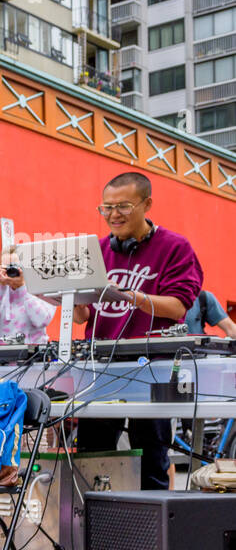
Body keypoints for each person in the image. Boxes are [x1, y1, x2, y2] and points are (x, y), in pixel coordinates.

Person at [72, 172, 203, 490]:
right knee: (93, 457)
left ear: (147, 204)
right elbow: (82, 316)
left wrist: (131, 296)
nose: (113, 215)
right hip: (99, 367)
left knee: (152, 457)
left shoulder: (175, 247)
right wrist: (67, 295)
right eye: (106, 207)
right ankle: (96, 529)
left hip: (153, 367)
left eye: (123, 206)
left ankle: (155, 533)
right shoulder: (98, 250)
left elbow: (178, 306)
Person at [0, 261, 56, 343]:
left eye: (17, 267)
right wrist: (0, 288)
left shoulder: (42, 288)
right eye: (8, 267)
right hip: (2, 352)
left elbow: (41, 321)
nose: (12, 270)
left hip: (33, 351)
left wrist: (22, 288)